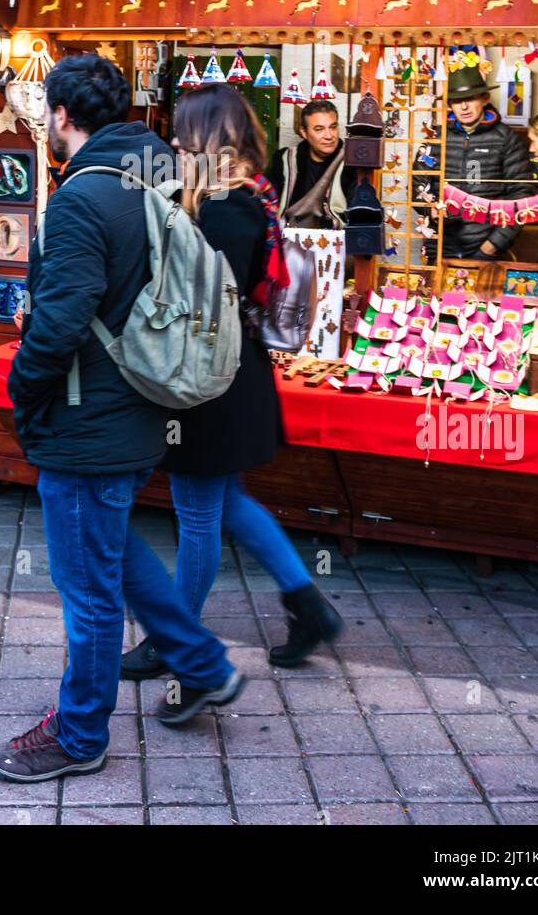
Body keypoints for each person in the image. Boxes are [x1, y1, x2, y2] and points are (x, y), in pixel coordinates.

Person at [0, 55, 243, 785]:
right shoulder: (163, 179)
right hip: (140, 409)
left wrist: (22, 391)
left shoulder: (79, 198)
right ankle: (200, 663)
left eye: (47, 117)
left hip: (83, 420)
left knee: (88, 589)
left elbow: (62, 319)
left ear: (63, 119)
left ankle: (79, 733)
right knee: (113, 548)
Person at [121, 83, 343, 683]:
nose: (172, 140)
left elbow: (195, 299)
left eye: (182, 131)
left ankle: (175, 639)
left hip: (210, 376)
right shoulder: (253, 195)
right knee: (225, 503)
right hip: (237, 371)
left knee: (197, 512)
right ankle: (307, 605)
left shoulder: (221, 209)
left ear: (207, 138)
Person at [423, 53, 533, 260]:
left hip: (486, 249)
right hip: (439, 247)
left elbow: (521, 196)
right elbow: (417, 184)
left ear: (485, 98)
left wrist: (493, 245)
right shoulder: (436, 138)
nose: (463, 107)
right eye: (456, 101)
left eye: (470, 98)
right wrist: (430, 209)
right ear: (449, 105)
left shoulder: (506, 138)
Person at [265, 98, 357, 228]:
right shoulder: (285, 159)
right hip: (288, 238)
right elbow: (267, 204)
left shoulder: (350, 163)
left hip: (334, 241)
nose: (329, 135)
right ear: (304, 133)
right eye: (319, 129)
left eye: (333, 127)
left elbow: (358, 216)